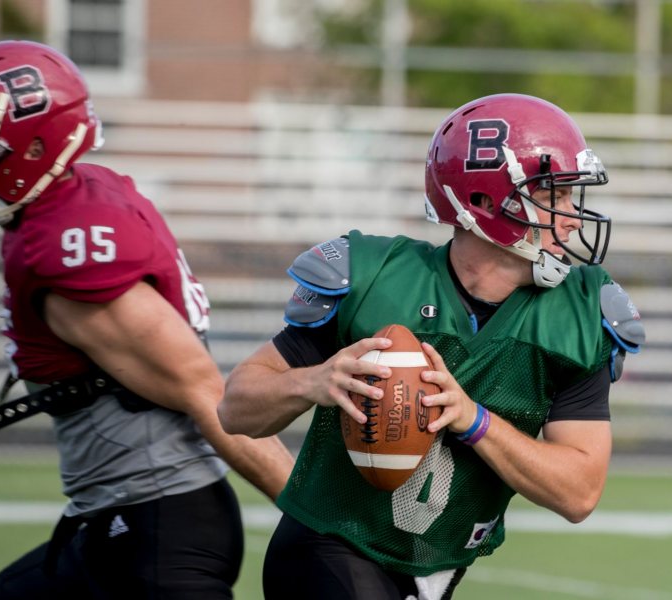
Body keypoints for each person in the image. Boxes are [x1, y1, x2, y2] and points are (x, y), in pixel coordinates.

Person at [218, 93, 645, 599]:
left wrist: (474, 420)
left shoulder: (579, 312)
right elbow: (235, 410)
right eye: (552, 197)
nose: (573, 218)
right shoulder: (376, 279)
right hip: (331, 547)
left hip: (440, 567)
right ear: (484, 203)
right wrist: (311, 381)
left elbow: (578, 492)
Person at [0, 40, 294, 599]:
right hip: (110, 524)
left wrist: (329, 528)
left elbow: (206, 395)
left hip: (156, 531)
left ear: (31, 147)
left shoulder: (69, 253)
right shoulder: (73, 202)